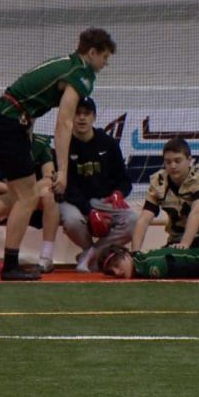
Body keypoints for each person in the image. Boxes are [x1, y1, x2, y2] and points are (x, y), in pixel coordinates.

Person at [0, 28, 115, 281]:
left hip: (1, 122)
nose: (105, 63)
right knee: (28, 195)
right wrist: (64, 171)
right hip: (6, 125)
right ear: (91, 53)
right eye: (104, 57)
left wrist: (27, 133)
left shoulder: (63, 63)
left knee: (17, 193)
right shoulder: (80, 73)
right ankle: (10, 264)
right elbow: (64, 123)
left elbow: (28, 100)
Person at [60, 96, 137, 272]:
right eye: (77, 113)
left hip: (103, 201)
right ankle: (89, 253)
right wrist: (89, 211)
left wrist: (119, 193)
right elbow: (67, 187)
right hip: (74, 201)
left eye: (86, 114)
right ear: (71, 117)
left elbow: (124, 179)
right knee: (72, 221)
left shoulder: (107, 143)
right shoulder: (64, 144)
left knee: (133, 221)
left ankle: (91, 254)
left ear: (94, 117)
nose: (81, 118)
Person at [0, 135, 57, 272]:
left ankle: (46, 258)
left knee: (50, 195)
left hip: (31, 199)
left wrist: (27, 192)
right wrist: (14, 191)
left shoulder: (40, 144)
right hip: (7, 199)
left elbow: (49, 179)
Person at [131, 137, 199, 251]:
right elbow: (144, 219)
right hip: (175, 240)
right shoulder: (158, 183)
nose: (173, 166)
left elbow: (196, 212)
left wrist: (184, 246)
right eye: (168, 162)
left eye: (177, 161)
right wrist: (135, 253)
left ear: (189, 160)